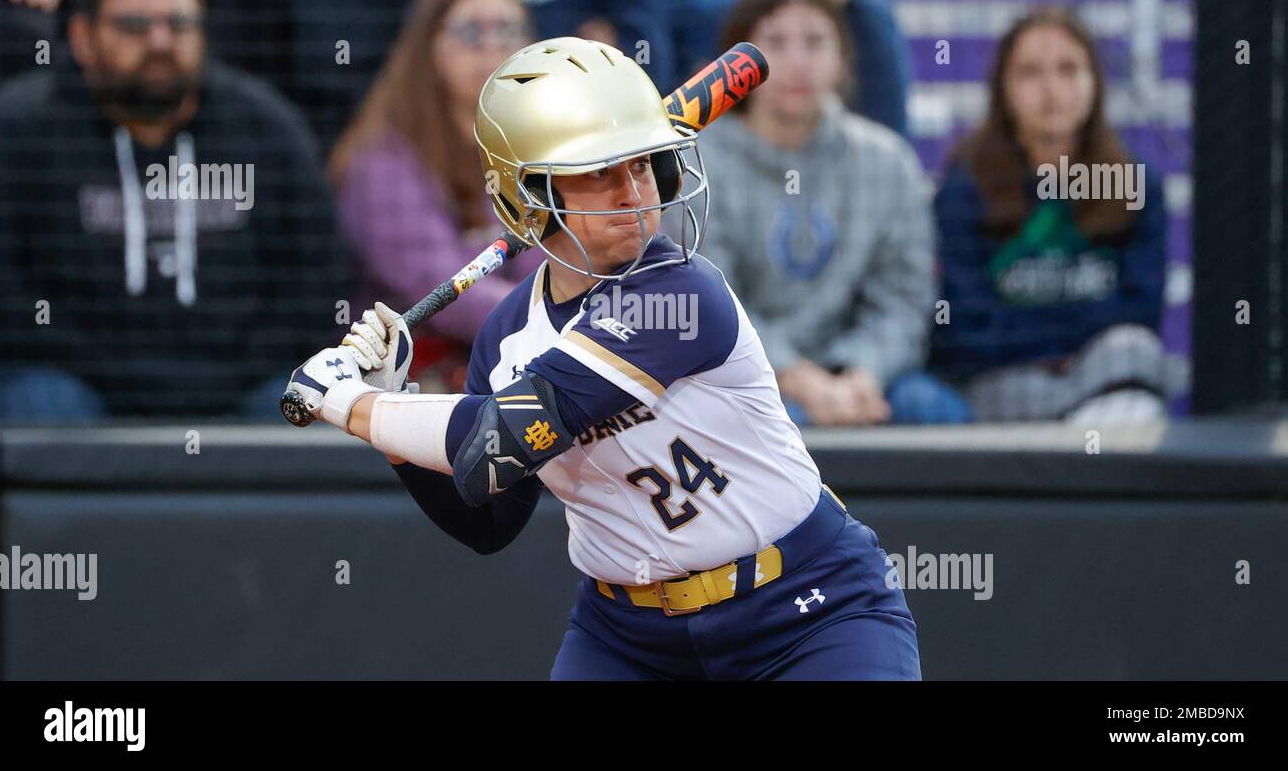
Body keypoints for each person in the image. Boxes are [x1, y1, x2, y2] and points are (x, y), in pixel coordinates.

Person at [285, 37, 921, 680]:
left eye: (643, 165)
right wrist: (399, 419)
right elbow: (485, 512)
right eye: (599, 172)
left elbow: (496, 438)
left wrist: (353, 403)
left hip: (806, 610)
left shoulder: (679, 293)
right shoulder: (507, 335)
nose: (632, 192)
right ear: (530, 195)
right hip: (629, 639)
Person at [0, 0, 348, 420]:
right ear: (81, 37)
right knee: (41, 404)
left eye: (179, 24)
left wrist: (218, 377)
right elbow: (7, 295)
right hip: (77, 378)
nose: (159, 41)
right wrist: (124, 376)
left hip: (240, 379)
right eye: (134, 26)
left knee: (299, 407)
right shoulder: (21, 128)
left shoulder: (265, 126)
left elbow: (315, 281)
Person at [698, 0, 969, 426]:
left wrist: (861, 375)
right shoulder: (697, 166)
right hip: (745, 379)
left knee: (936, 412)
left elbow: (904, 300)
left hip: (865, 379)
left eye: (815, 42)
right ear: (738, 67)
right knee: (778, 425)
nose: (797, 62)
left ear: (843, 59)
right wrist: (799, 380)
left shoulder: (888, 161)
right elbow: (712, 303)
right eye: (776, 43)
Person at [930, 6, 1170, 424]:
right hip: (1005, 382)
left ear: (1094, 82)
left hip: (1103, 368)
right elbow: (965, 331)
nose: (1051, 89)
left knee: (1134, 350)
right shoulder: (964, 190)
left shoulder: (1135, 185)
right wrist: (1073, 337)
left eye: (1068, 69)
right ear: (1003, 90)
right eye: (1030, 73)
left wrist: (1044, 335)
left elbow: (1141, 313)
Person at [329, 0, 542, 391]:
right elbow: (445, 293)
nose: (492, 49)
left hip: (522, 364)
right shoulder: (383, 160)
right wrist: (561, 326)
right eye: (471, 33)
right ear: (429, 47)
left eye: (507, 30)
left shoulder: (541, 144)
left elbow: (557, 265)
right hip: (409, 383)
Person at [637, 0, 911, 136]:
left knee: (871, 15)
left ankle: (882, 144)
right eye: (779, 44)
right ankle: (668, 136)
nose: (797, 64)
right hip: (709, 1)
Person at [418, 0, 676, 90]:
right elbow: (425, 29)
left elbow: (646, 34)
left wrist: (613, 59)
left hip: (585, 95)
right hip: (484, 92)